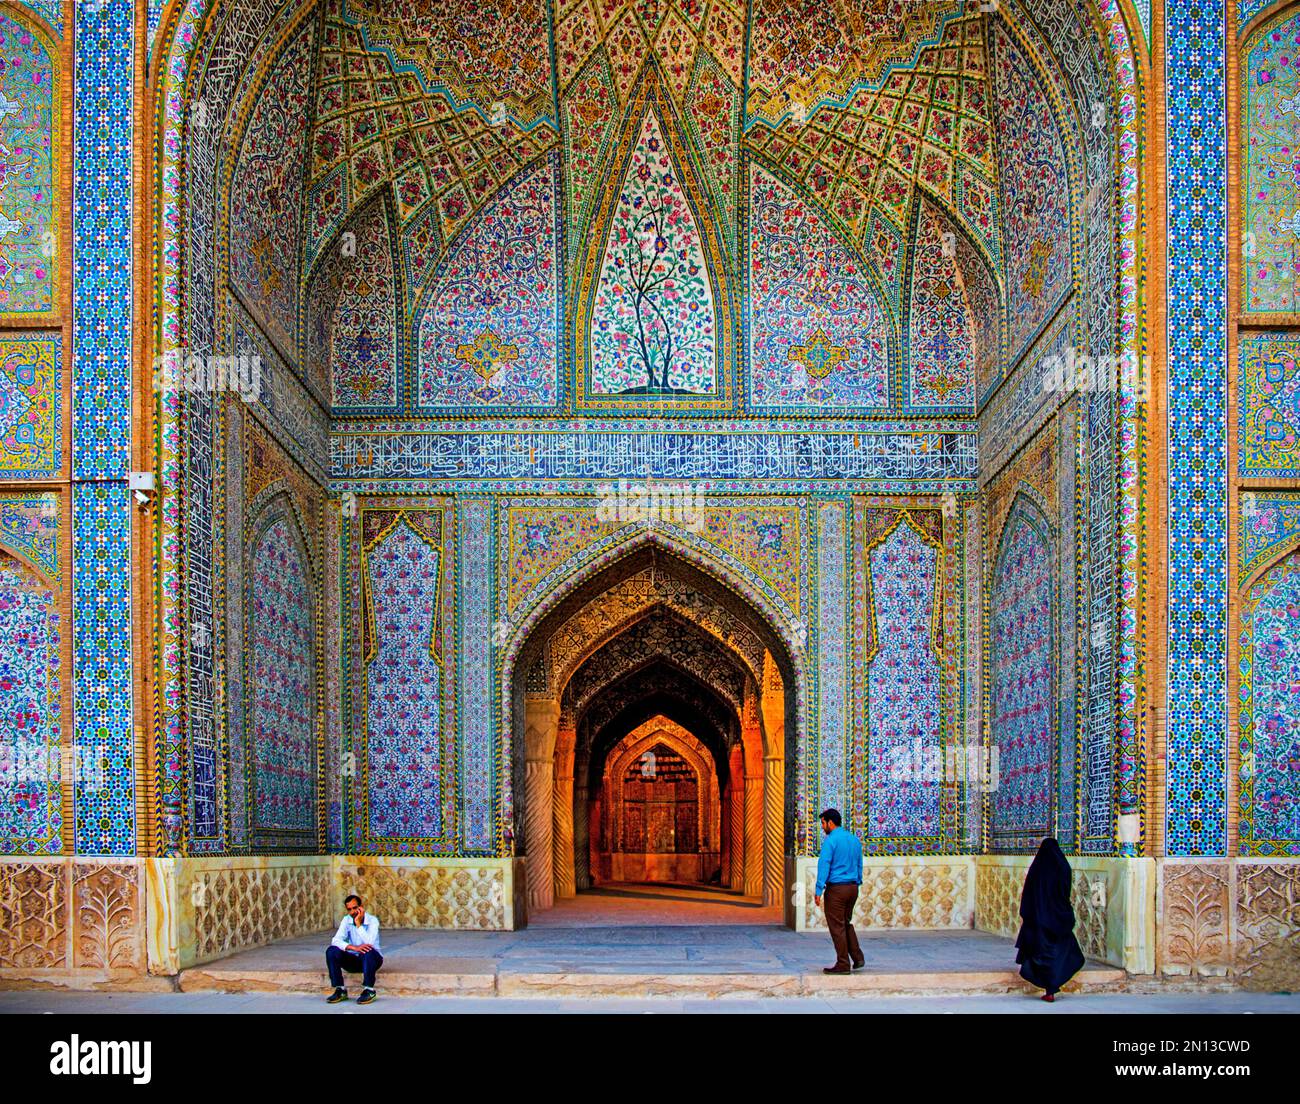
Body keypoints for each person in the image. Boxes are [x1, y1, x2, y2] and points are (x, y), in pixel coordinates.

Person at [1015, 837, 1086, 1002]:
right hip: (1058, 918)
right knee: (1061, 952)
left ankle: (1050, 990)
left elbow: (1029, 895)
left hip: (1040, 919)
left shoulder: (1038, 869)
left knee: (1041, 953)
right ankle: (1051, 989)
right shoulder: (1063, 867)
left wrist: (1029, 915)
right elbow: (1065, 893)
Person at [814, 808, 864, 974]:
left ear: (830, 822)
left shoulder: (831, 841)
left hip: (837, 889)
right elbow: (859, 864)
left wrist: (818, 889)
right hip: (852, 887)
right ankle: (857, 957)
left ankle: (843, 963)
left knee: (837, 926)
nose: (822, 827)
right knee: (845, 922)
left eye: (823, 823)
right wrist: (857, 881)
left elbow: (824, 865)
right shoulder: (854, 840)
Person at [325, 894, 383, 1005]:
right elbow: (335, 940)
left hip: (373, 960)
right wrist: (353, 947)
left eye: (355, 908)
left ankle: (369, 990)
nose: (352, 912)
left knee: (367, 950)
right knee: (332, 951)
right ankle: (340, 989)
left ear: (361, 907)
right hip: (354, 959)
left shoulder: (372, 920)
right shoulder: (346, 920)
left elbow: (369, 942)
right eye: (349, 909)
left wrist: (358, 924)